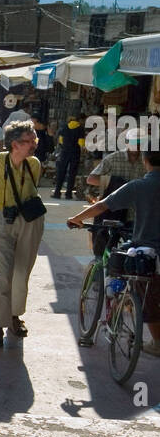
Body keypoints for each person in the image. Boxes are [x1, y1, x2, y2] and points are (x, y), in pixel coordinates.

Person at [67, 147, 160, 352]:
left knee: (131, 276)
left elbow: (102, 206)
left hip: (147, 250)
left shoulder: (140, 186)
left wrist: (76, 219)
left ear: (145, 161)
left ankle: (122, 306)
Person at [0, 120, 45, 345]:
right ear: (15, 144)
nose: (34, 144)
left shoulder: (33, 164)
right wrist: (2, 205)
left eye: (34, 139)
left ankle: (15, 316)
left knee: (22, 271)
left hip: (29, 220)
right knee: (3, 273)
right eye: (30, 140)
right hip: (2, 219)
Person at [52, 116, 85, 199]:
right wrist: (82, 153)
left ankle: (57, 193)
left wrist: (64, 147)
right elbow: (81, 143)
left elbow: (60, 140)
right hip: (75, 153)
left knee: (61, 172)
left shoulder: (64, 127)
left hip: (65, 152)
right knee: (72, 173)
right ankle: (68, 194)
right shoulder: (80, 128)